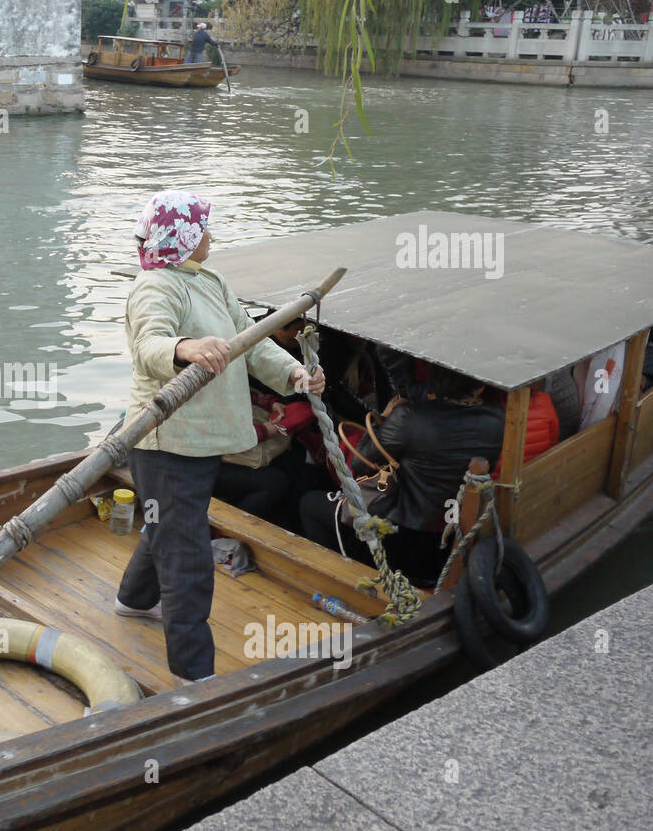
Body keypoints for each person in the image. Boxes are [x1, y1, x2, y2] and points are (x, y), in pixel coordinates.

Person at [113, 191, 325, 684]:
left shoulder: (207, 279)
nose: (211, 236)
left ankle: (132, 600)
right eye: (204, 228)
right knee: (187, 555)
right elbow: (148, 345)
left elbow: (250, 341)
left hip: (201, 441)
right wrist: (186, 347)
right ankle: (195, 678)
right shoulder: (156, 287)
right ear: (183, 238)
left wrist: (296, 375)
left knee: (169, 525)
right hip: (166, 444)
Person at [299, 365, 505, 588]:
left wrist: (385, 416)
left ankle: (342, 582)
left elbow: (360, 464)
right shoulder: (497, 419)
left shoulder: (408, 417)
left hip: (401, 544)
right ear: (481, 383)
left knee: (310, 505)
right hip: (449, 540)